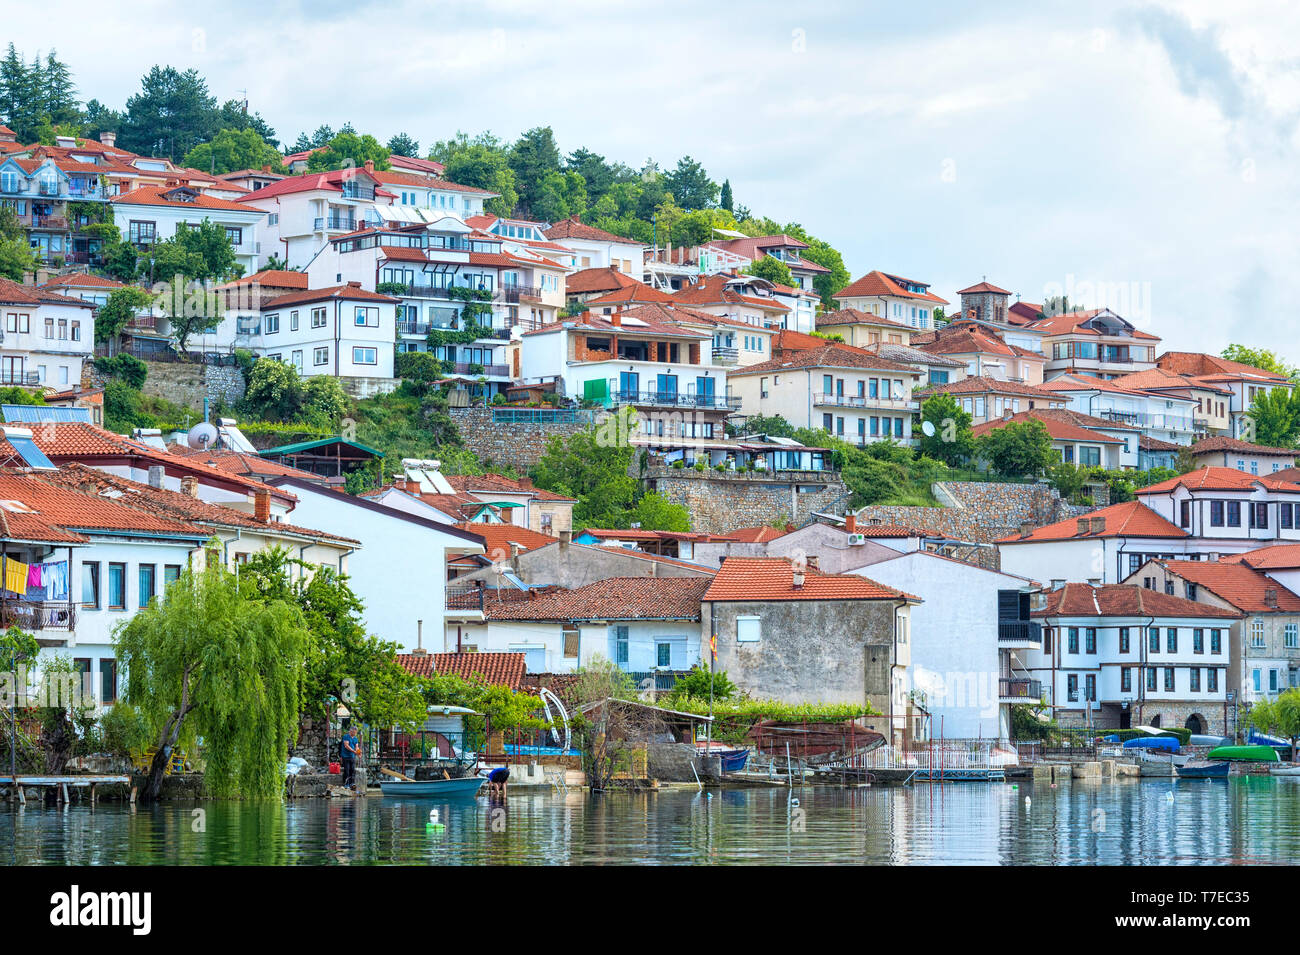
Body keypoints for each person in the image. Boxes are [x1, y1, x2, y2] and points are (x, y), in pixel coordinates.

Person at [340, 725, 361, 790]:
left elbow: (356, 746)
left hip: (352, 756)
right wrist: (354, 751)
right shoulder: (346, 736)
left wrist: (358, 752)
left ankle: (352, 783)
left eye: (356, 732)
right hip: (345, 756)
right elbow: (346, 745)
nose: (355, 733)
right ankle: (346, 784)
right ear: (351, 731)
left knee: (353, 770)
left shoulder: (355, 738)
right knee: (347, 770)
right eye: (354, 732)